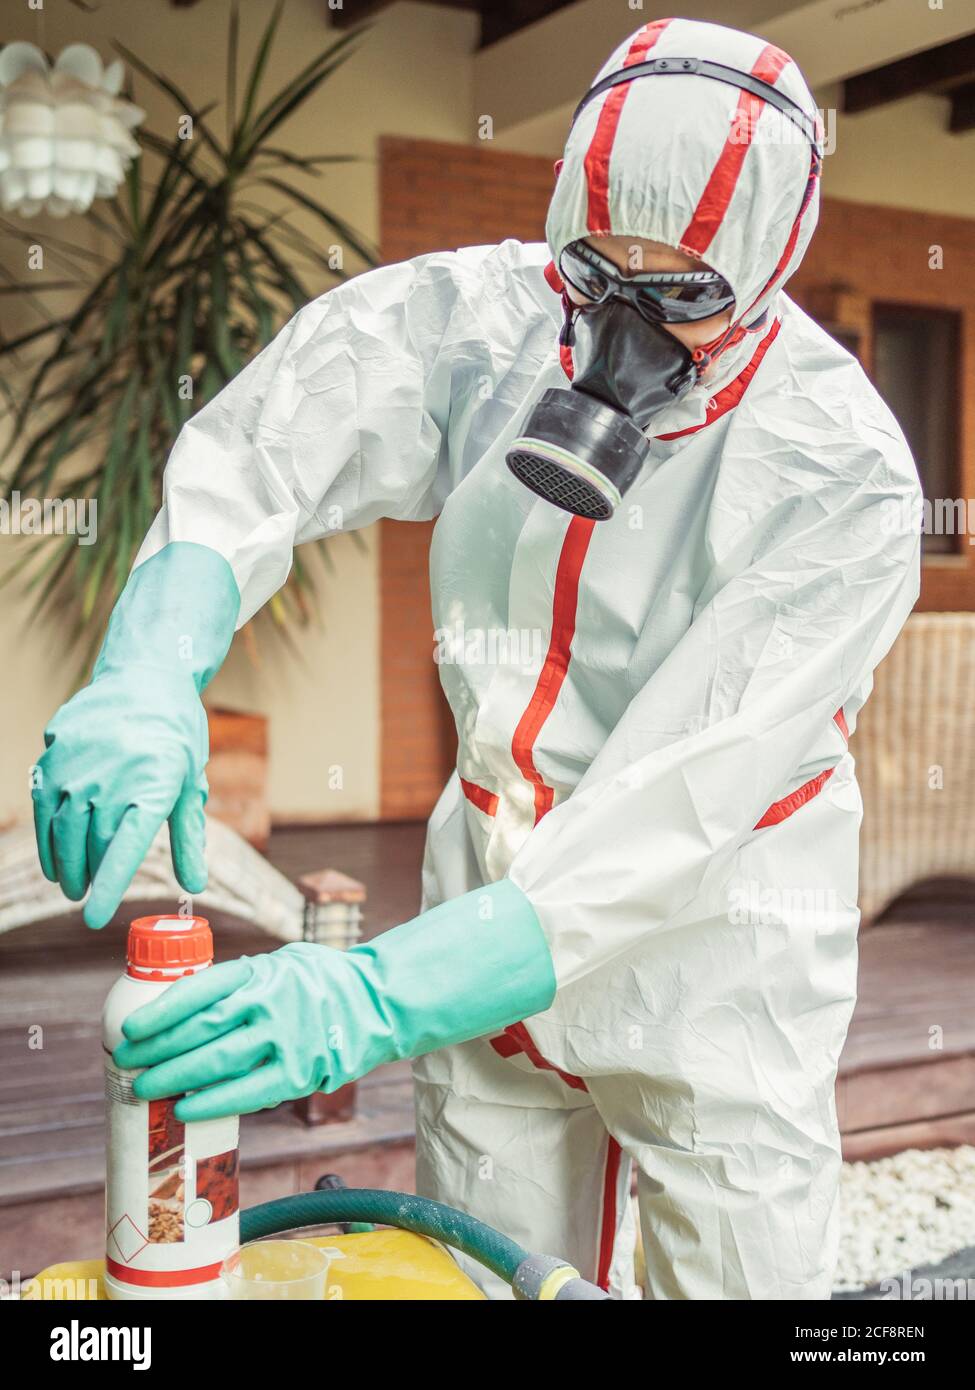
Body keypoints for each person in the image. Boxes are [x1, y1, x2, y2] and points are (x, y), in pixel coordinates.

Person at [32, 17, 921, 1299]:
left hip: (719, 939)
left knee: (737, 1270)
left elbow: (676, 807)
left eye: (682, 295)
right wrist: (150, 664)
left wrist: (374, 995)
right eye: (595, 273)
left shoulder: (840, 475)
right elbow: (268, 445)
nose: (619, 331)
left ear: (771, 266)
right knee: (486, 1275)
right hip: (482, 894)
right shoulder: (485, 315)